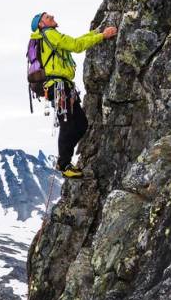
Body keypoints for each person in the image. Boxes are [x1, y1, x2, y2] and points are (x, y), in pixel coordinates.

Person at [28, 12, 117, 178]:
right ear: (41, 24)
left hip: (63, 87)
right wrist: (102, 36)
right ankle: (64, 164)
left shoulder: (50, 36)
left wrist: (96, 33)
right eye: (47, 17)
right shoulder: (49, 34)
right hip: (58, 87)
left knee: (81, 124)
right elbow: (76, 45)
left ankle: (65, 159)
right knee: (68, 124)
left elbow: (75, 41)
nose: (51, 16)